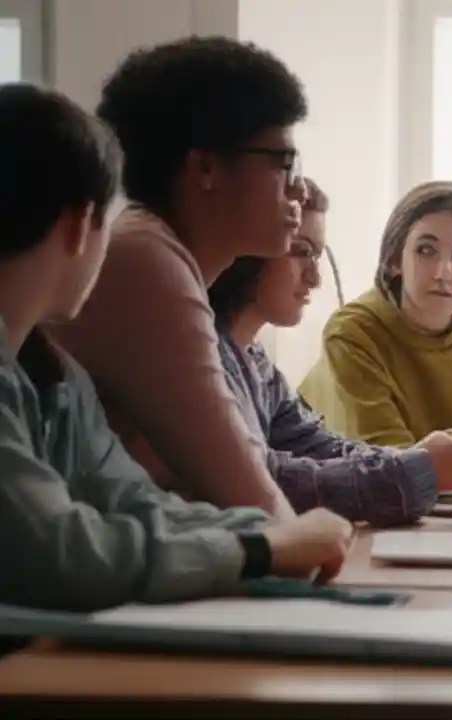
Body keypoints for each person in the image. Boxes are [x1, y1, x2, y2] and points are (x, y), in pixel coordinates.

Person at [0, 83, 351, 612]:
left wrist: (261, 536)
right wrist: (258, 546)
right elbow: (63, 556)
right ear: (79, 226)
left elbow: (133, 501)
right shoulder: (148, 259)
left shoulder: (55, 373)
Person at [47, 37, 309, 516]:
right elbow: (256, 503)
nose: (299, 187)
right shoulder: (144, 262)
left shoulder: (149, 250)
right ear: (205, 166)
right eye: (283, 162)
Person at [208, 179, 452, 526]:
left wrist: (417, 459)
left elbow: (322, 446)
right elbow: (273, 480)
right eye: (301, 251)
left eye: (317, 256)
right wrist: (421, 468)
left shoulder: (257, 365)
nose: (315, 278)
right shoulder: (205, 358)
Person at [299, 181, 452, 446]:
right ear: (395, 260)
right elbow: (388, 468)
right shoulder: (352, 333)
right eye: (426, 251)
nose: (443, 272)